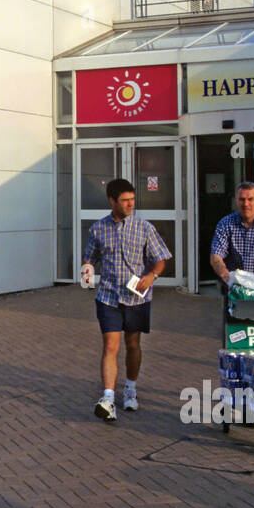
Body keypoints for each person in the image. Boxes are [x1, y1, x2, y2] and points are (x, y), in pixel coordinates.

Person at [81, 178, 171, 423]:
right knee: (110, 347)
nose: (130, 204)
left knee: (133, 345)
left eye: (132, 200)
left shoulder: (144, 228)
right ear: (112, 201)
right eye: (125, 201)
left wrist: (152, 276)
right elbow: (89, 257)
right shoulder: (98, 229)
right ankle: (108, 398)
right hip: (108, 296)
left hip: (136, 297)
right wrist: (87, 268)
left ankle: (130, 387)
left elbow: (161, 258)